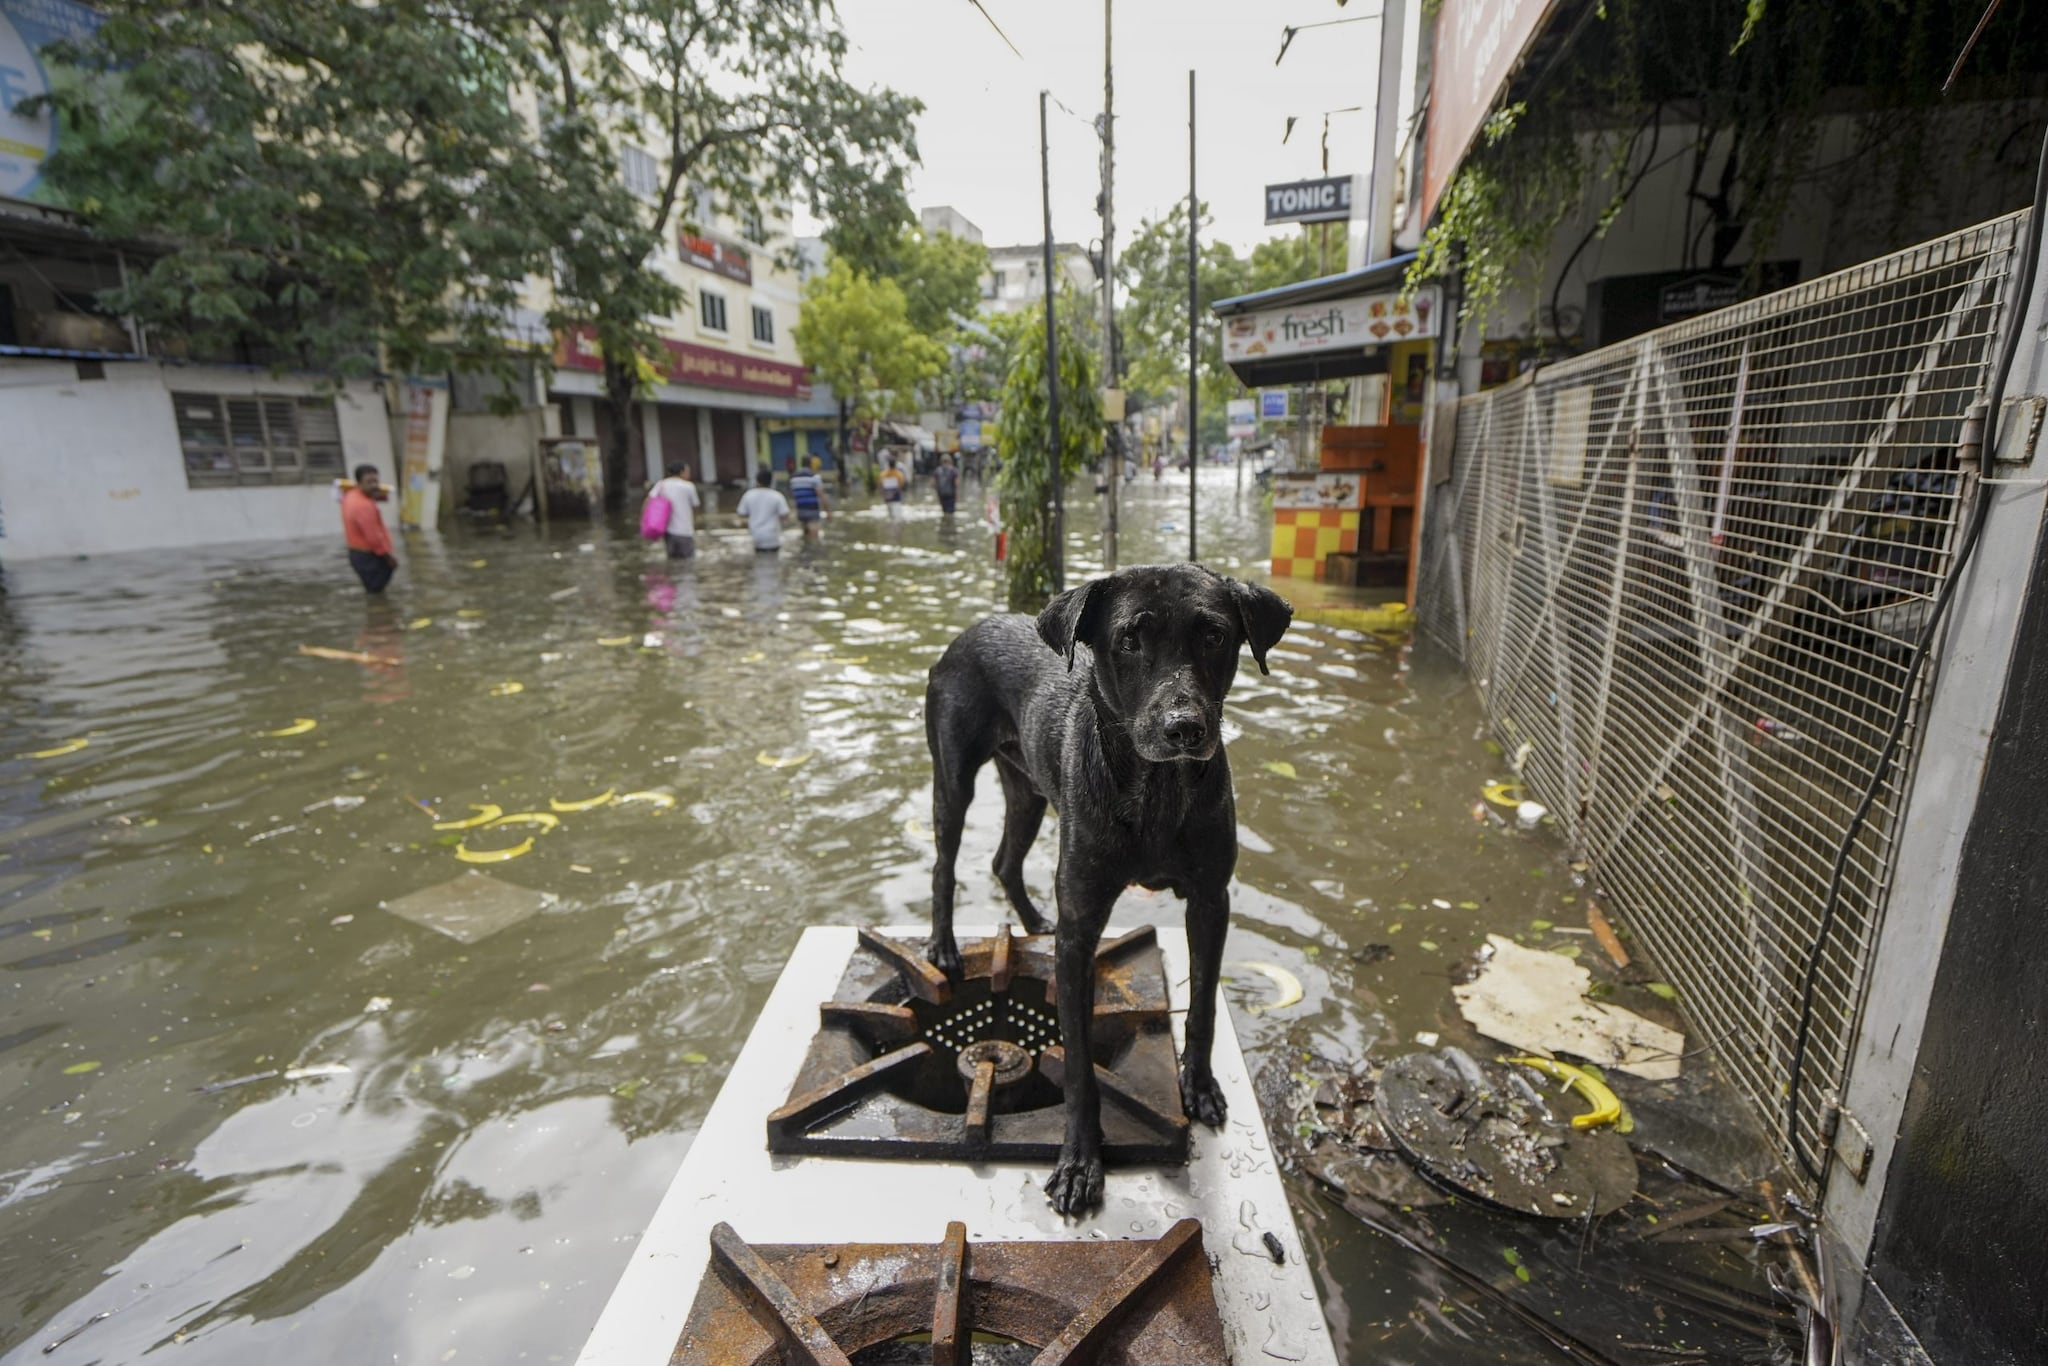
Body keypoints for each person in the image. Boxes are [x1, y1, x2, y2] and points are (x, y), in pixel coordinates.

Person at [341, 464, 398, 593]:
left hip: (356, 554)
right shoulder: (364, 506)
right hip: (369, 555)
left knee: (372, 591)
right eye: (369, 482)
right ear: (359, 483)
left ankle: (376, 610)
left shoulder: (350, 495)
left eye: (376, 481)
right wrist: (388, 557)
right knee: (377, 591)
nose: (374, 485)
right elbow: (373, 537)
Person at [648, 460, 702, 559]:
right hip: (685, 531)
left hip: (668, 532)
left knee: (672, 559)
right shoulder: (688, 486)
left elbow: (649, 501)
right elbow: (696, 506)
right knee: (688, 562)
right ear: (681, 472)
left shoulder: (661, 484)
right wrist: (696, 521)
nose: (688, 474)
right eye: (687, 471)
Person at [735, 466, 791, 552]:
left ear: (757, 480)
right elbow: (785, 516)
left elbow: (741, 515)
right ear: (771, 481)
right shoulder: (777, 496)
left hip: (756, 536)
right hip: (772, 537)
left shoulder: (748, 495)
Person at [789, 455, 830, 541]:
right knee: (814, 539)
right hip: (812, 511)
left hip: (800, 511)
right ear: (811, 464)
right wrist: (828, 512)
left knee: (805, 536)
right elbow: (821, 495)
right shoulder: (814, 477)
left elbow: (793, 495)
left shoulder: (793, 478)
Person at [879, 455, 909, 521]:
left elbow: (880, 485)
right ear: (895, 464)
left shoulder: (883, 474)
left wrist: (883, 494)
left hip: (887, 496)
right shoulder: (899, 474)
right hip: (896, 496)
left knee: (889, 514)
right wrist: (894, 492)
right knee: (897, 515)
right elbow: (901, 485)